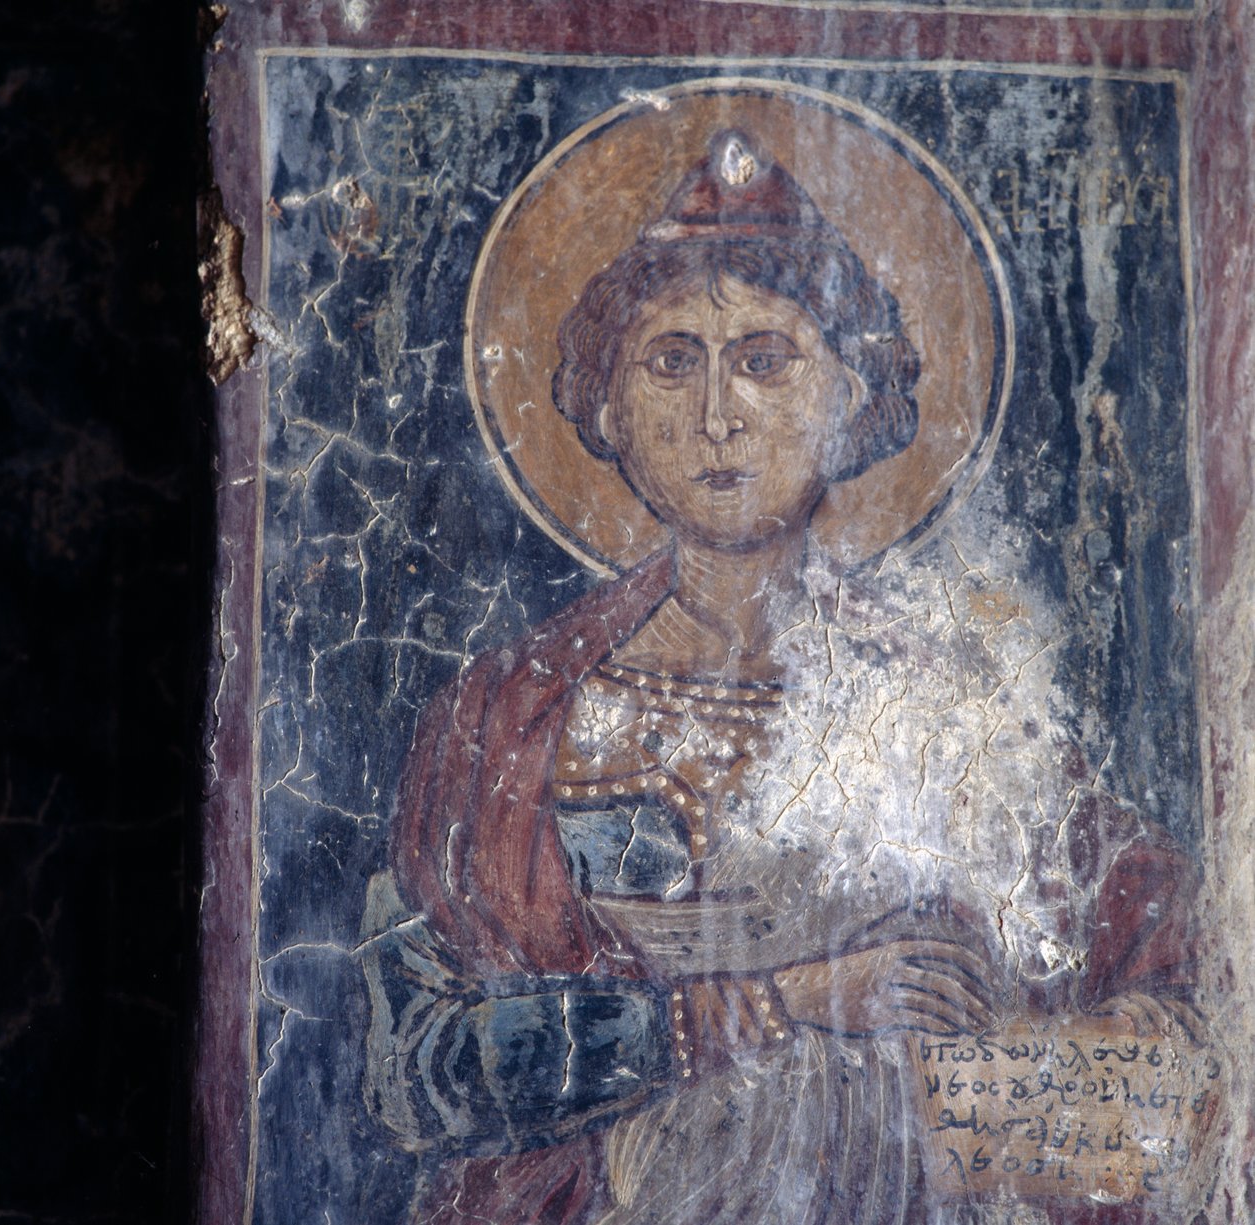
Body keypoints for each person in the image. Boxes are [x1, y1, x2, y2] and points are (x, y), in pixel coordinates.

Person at [362, 131, 1200, 1224]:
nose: (719, 415)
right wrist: (769, 1006)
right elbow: (411, 1070)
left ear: (851, 400)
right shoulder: (511, 717)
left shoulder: (958, 708)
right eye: (672, 360)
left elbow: (1170, 987)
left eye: (764, 358)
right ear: (608, 405)